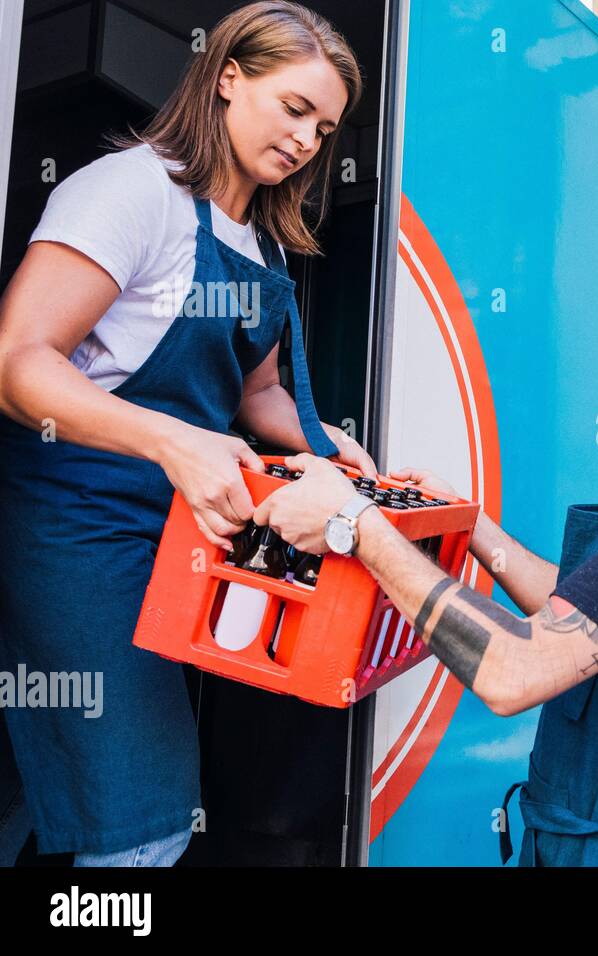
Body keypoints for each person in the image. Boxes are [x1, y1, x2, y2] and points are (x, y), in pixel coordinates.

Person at [257, 228, 598, 866]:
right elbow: (571, 613)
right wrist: (470, 525)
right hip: (577, 837)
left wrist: (355, 523)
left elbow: (516, 671)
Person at [0, 1, 373, 866]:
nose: (307, 142)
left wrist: (322, 442)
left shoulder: (265, 246)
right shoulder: (131, 190)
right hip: (74, 529)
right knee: (144, 821)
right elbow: (19, 362)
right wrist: (172, 441)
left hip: (172, 538)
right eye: (294, 109)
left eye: (323, 129)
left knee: (64, 791)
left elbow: (258, 390)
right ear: (228, 77)